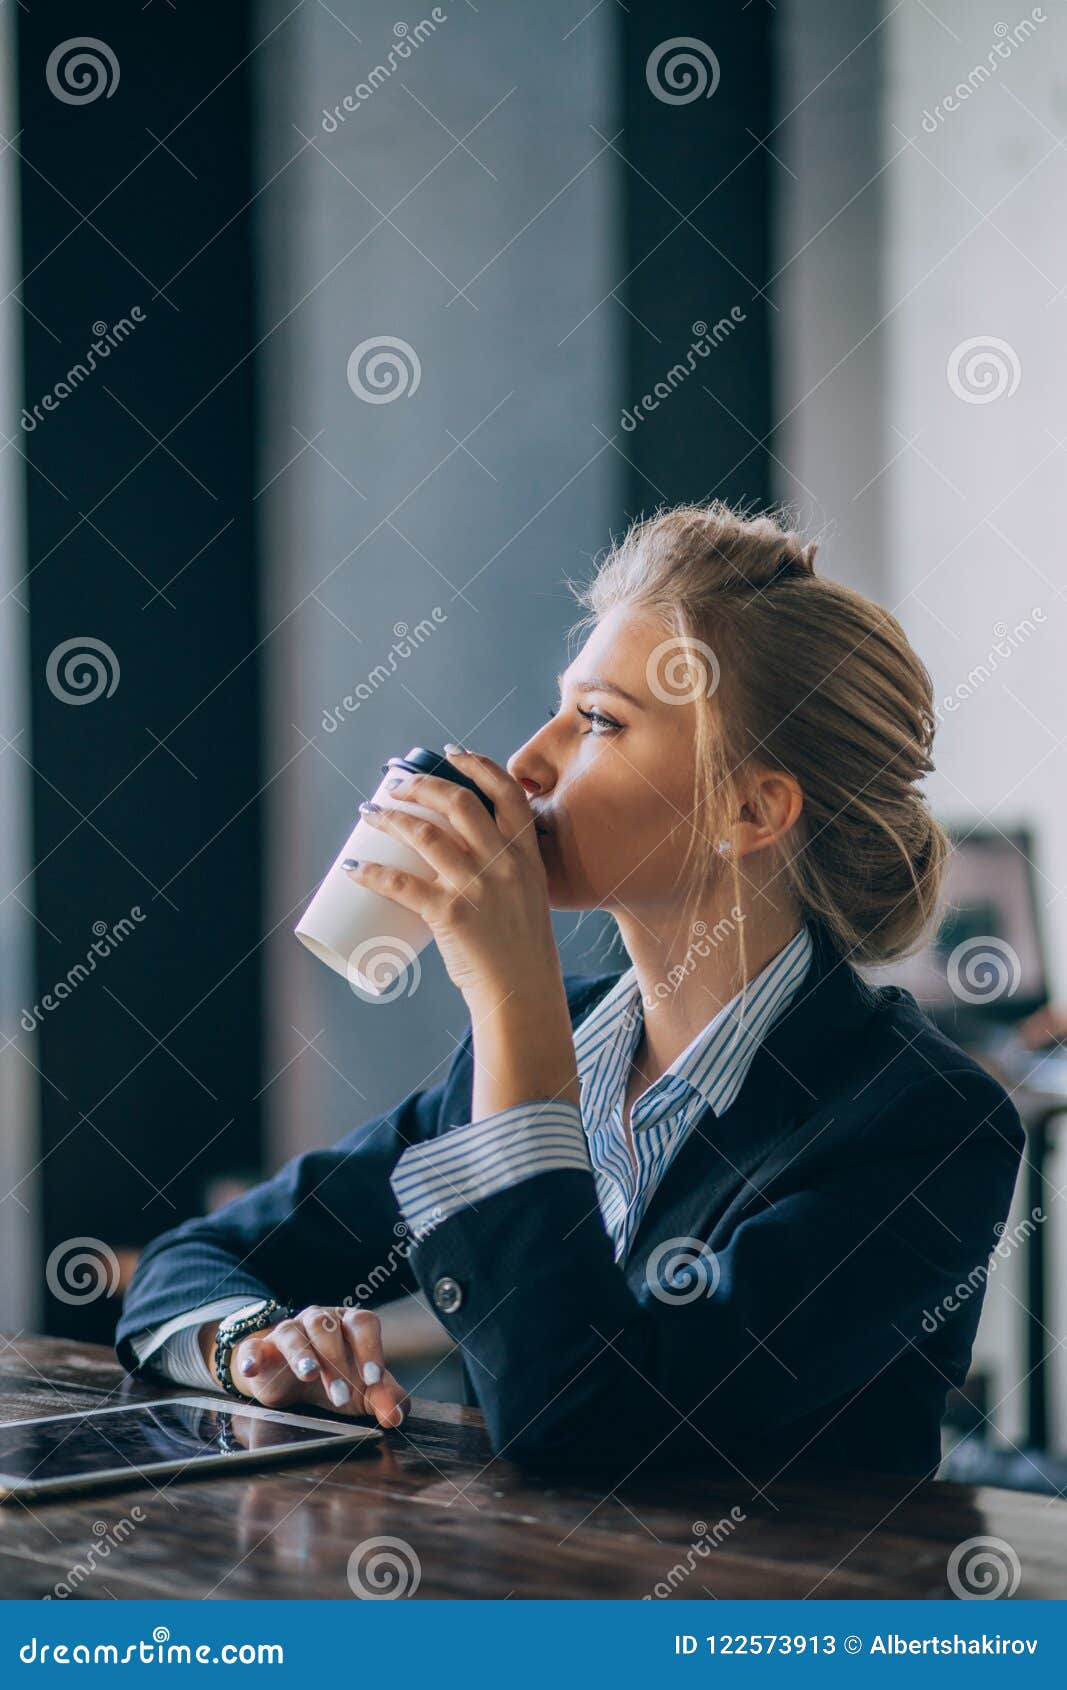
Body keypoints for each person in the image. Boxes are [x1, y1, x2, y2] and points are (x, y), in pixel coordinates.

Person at [115, 502, 1024, 1481]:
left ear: (748, 808)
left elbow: (593, 1433)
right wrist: (251, 1345)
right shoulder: (567, 1041)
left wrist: (509, 995)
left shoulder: (922, 1125)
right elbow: (192, 1260)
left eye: (597, 720)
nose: (526, 764)